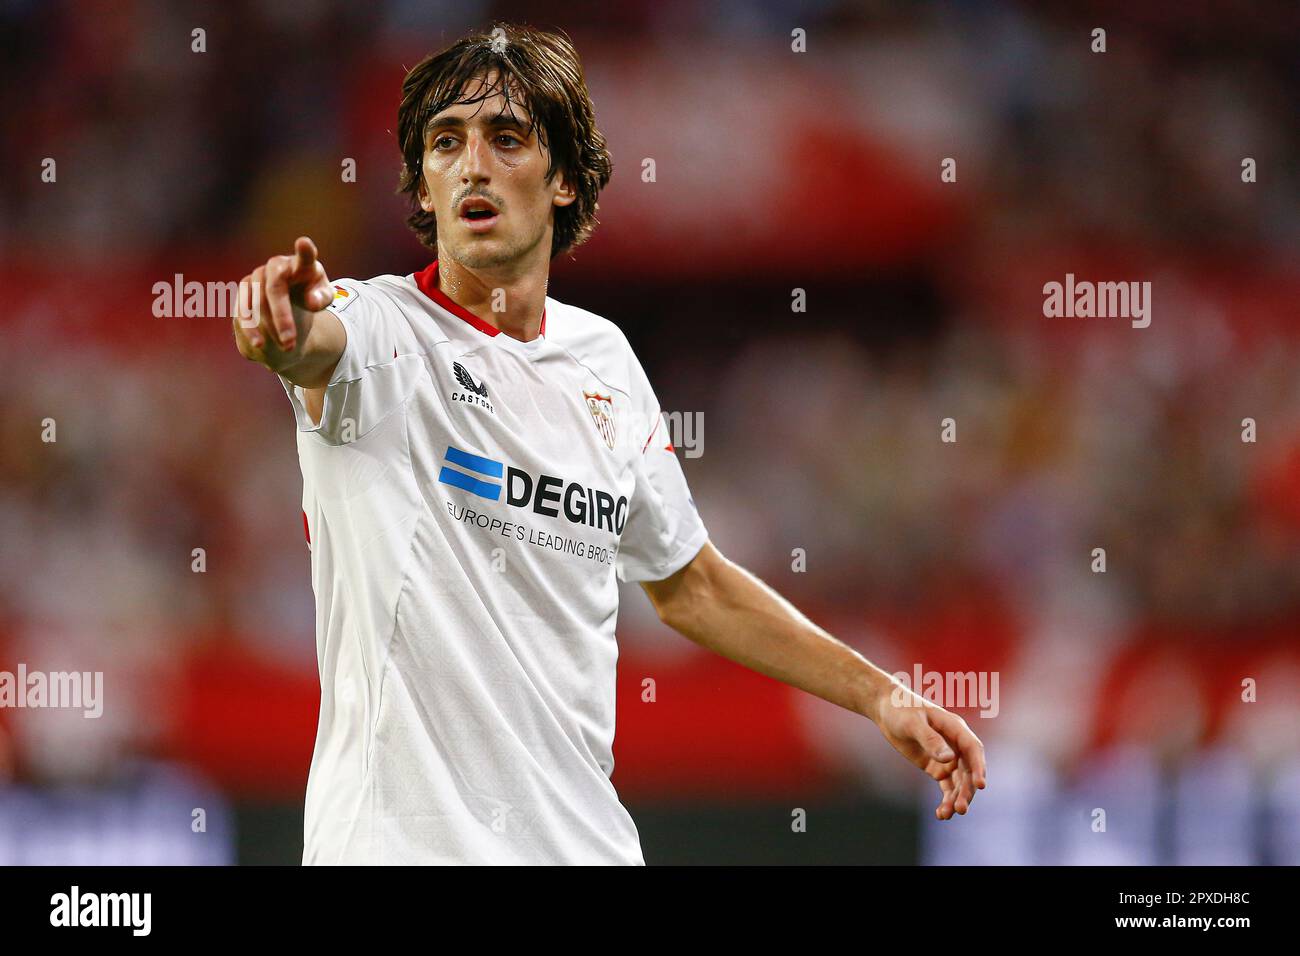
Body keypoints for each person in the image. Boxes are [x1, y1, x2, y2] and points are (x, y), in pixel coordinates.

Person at [230, 23, 985, 864]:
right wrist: (281, 325)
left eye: (506, 138)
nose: (473, 164)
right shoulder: (379, 332)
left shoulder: (604, 363)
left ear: (561, 179)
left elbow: (690, 584)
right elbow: (307, 342)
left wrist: (880, 697)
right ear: (425, 184)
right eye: (446, 143)